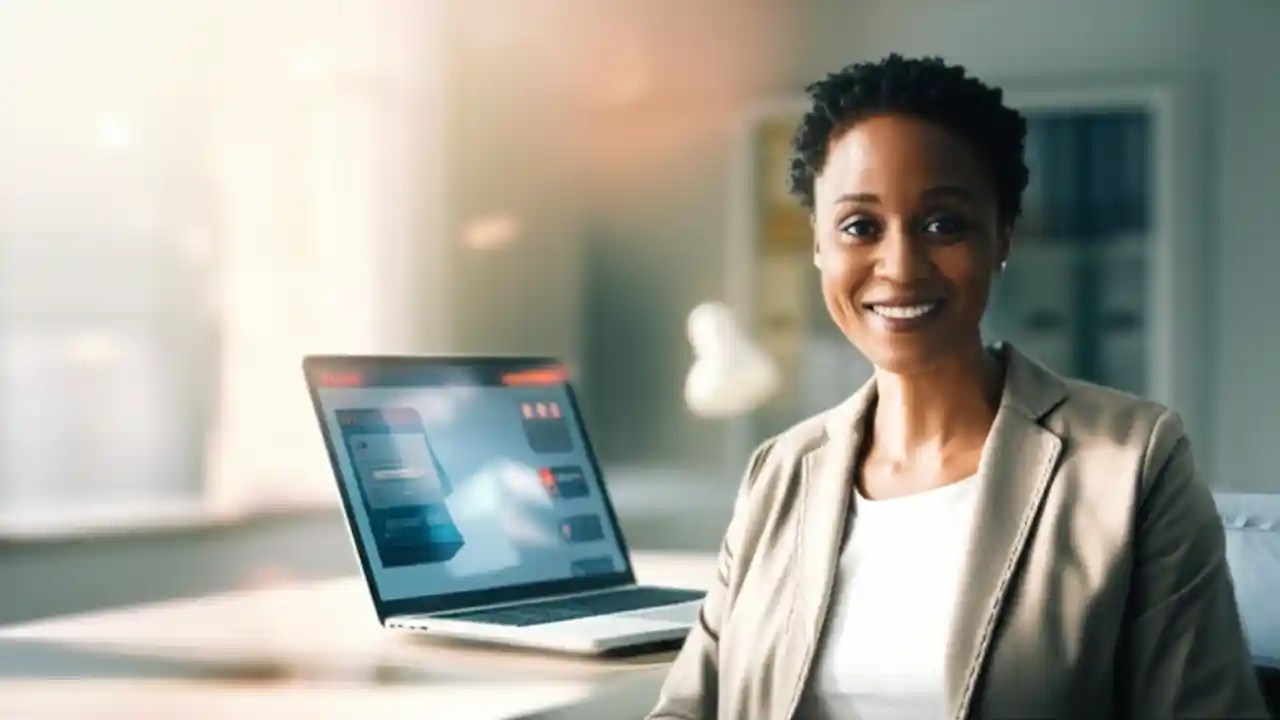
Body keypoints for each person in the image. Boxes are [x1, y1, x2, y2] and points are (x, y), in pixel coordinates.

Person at [647, 54, 1267, 720]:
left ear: (1001, 236)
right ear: (820, 246)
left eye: (943, 224)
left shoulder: (1132, 461)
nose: (901, 264)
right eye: (860, 227)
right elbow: (690, 707)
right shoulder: (780, 472)